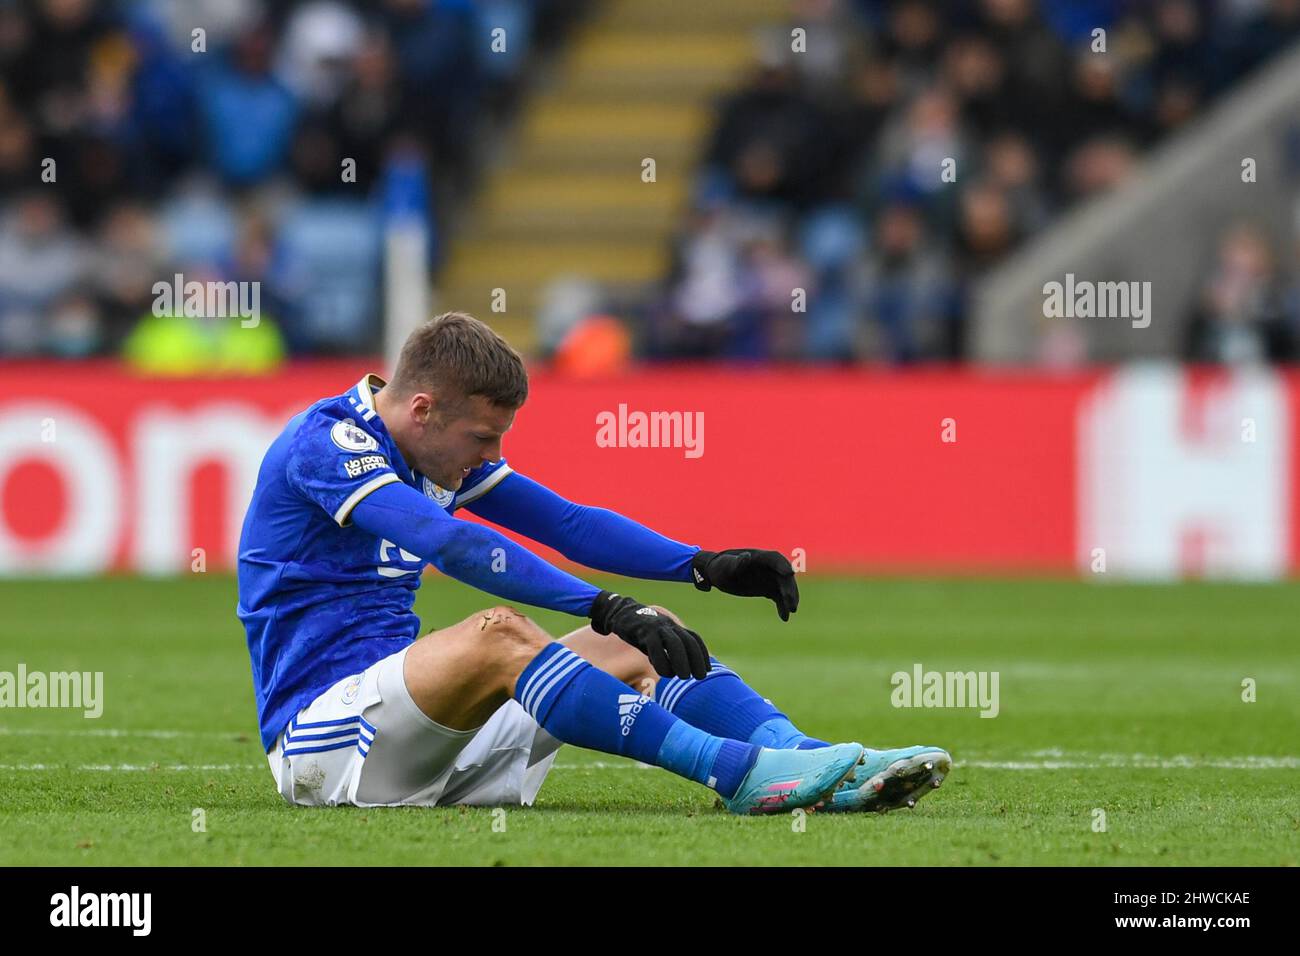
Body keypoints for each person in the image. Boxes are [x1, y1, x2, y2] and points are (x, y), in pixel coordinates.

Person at [237, 311, 950, 813]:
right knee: (499, 635)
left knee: (643, 637)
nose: (492, 456)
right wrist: (603, 605)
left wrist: (700, 564)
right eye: (484, 438)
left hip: (417, 735)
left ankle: (822, 765)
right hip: (324, 744)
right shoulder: (325, 443)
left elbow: (568, 523)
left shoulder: (434, 449)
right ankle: (739, 776)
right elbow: (452, 545)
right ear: (422, 409)